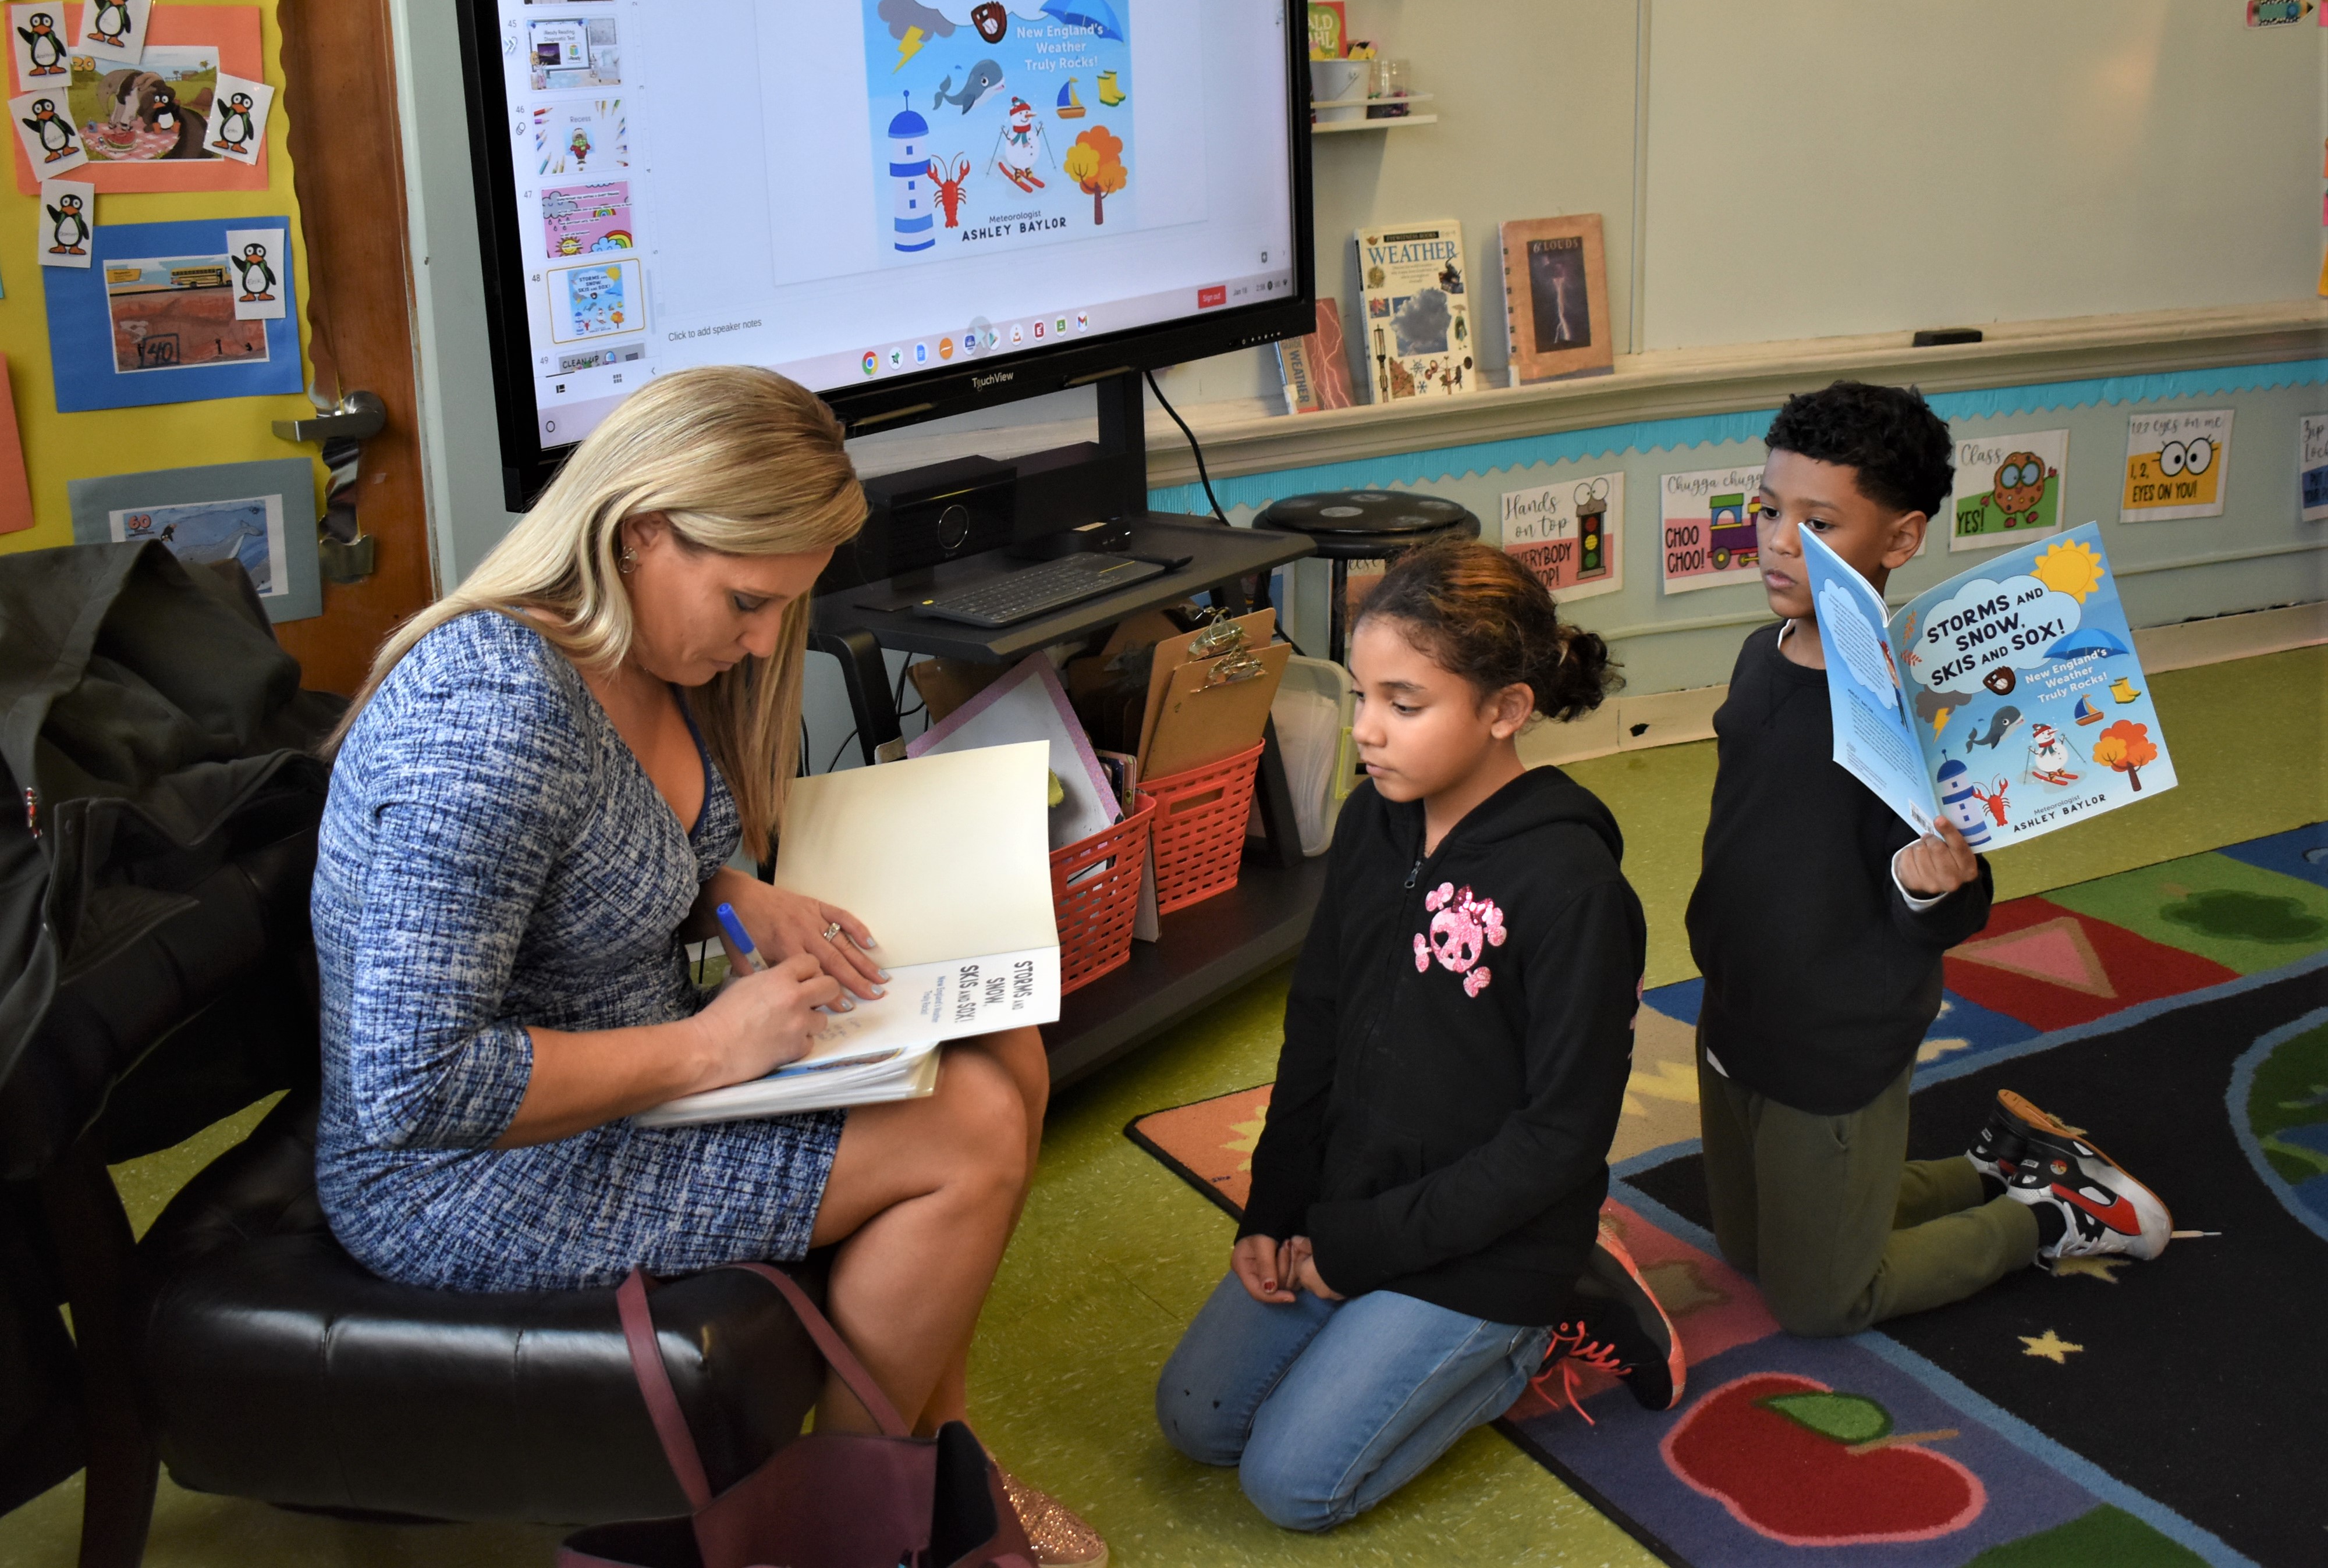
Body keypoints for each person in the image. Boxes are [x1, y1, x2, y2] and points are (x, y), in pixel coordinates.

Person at [312, 368, 1103, 1565]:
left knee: (1007, 1047)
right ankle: (848, 1534)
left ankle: (925, 1466)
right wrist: (708, 1049)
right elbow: (414, 1088)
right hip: (468, 1172)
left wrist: (733, 894)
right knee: (970, 1134)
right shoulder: (489, 718)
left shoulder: (636, 649)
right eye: (747, 600)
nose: (765, 640)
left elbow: (593, 856)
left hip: (631, 1072)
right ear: (640, 532)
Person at [1155, 541, 1683, 1532]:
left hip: (1497, 1244)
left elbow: (1561, 1137)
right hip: (1356, 1205)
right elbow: (1316, 1024)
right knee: (1198, 1424)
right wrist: (1273, 1210)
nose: (1365, 730)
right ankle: (1387, 1322)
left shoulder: (1573, 889)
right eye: (1362, 696)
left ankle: (1552, 1318)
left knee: (1293, 1487)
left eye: (1404, 704)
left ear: (1505, 709)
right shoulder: (1373, 822)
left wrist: (1355, 1253)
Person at [1686, 381, 2173, 1341]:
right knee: (1746, 1249)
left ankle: (2051, 1215)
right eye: (1769, 510)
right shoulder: (1758, 654)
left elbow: (1957, 901)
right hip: (1735, 1007)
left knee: (1821, 1299)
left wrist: (1926, 887)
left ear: (1901, 539)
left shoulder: (1918, 710)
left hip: (1834, 1036)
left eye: (1820, 523)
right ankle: (1996, 1166)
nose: (1779, 543)